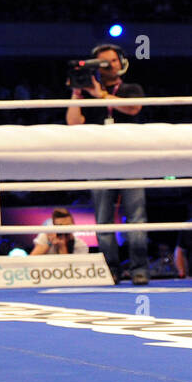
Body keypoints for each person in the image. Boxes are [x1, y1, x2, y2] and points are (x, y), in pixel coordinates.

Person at [66, 43, 150, 284]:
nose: (109, 66)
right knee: (103, 218)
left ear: (121, 63)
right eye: (103, 62)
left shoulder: (131, 88)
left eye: (112, 61)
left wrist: (99, 95)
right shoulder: (87, 93)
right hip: (99, 161)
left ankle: (139, 268)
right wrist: (77, 91)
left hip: (131, 159)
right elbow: (73, 123)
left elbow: (133, 108)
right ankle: (110, 269)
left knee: (137, 217)